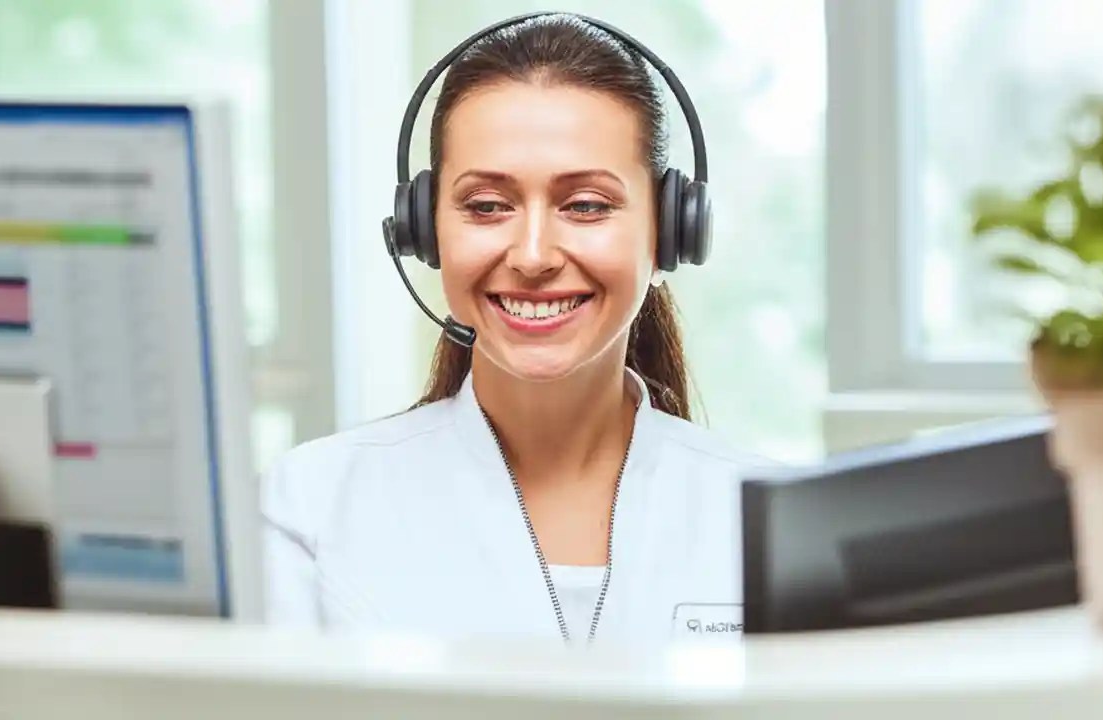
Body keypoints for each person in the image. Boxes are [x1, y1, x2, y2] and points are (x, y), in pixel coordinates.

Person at [261, 13, 763, 646]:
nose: (532, 255)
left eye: (585, 205)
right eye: (487, 206)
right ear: (424, 230)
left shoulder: (767, 518)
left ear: (669, 232)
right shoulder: (307, 507)